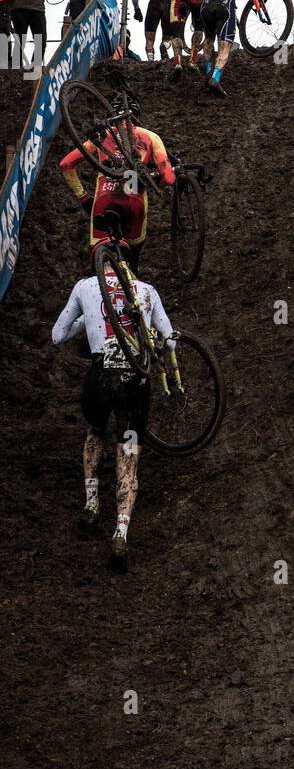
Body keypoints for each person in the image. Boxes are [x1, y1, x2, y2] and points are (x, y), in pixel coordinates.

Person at [52, 244, 175, 573]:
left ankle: (92, 503)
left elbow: (57, 335)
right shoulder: (147, 291)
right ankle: (121, 530)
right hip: (136, 378)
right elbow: (171, 340)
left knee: (94, 431)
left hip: (101, 372)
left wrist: (85, 322)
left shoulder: (85, 286)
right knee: (129, 449)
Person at [59, 93, 176, 271]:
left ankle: (102, 283)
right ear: (137, 116)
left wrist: (84, 198)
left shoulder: (101, 135)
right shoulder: (151, 136)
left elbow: (66, 164)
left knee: (100, 261)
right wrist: (161, 178)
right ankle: (133, 277)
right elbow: (168, 178)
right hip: (134, 201)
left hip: (104, 199)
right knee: (133, 259)